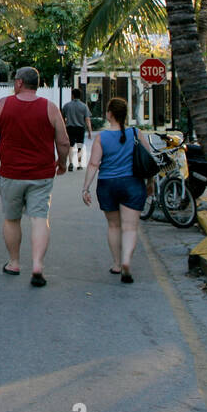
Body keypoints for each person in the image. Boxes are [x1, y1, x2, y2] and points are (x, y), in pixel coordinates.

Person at [0, 67, 70, 287]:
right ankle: (38, 265)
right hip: (41, 175)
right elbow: (63, 142)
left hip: (11, 174)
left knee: (12, 219)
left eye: (15, 81)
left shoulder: (3, 105)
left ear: (20, 82)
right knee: (40, 218)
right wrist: (62, 163)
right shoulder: (50, 108)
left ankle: (14, 263)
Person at [81, 97, 156, 284]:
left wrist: (86, 187)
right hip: (132, 184)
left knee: (114, 226)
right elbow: (148, 160)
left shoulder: (102, 137)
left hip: (108, 185)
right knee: (130, 227)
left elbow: (93, 164)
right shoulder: (136, 133)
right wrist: (150, 182)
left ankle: (116, 263)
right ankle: (126, 261)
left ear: (109, 114)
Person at [61, 88, 92, 171]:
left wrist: (64, 126)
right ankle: (79, 164)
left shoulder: (67, 105)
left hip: (70, 128)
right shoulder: (84, 106)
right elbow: (87, 119)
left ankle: (70, 163)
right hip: (80, 128)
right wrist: (89, 131)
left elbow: (62, 117)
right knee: (79, 146)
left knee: (70, 146)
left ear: (72, 95)